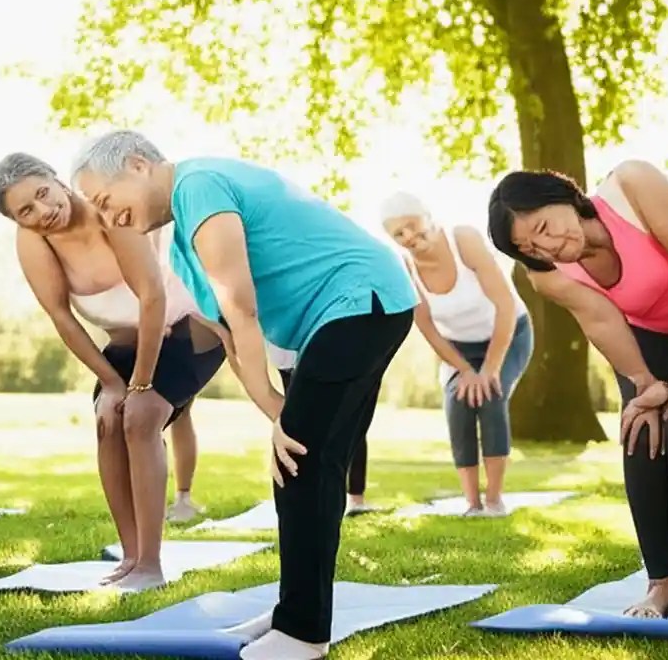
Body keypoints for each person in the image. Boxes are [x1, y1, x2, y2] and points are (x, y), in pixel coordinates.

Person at [71, 130, 417, 660]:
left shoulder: (199, 187)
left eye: (105, 200)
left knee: (299, 464)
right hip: (339, 316)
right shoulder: (185, 234)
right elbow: (230, 337)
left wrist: (283, 414)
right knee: (312, 464)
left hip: (359, 300)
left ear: (138, 165)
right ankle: (295, 614)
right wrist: (276, 410)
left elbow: (241, 307)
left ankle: (302, 632)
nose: (106, 216)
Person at [486, 160, 668, 624]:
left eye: (542, 226)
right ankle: (659, 584)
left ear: (562, 196)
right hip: (654, 333)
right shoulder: (545, 273)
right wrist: (644, 385)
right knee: (641, 431)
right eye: (529, 245)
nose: (545, 246)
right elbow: (602, 320)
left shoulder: (631, 188)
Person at [0, 152, 224, 590]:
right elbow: (62, 318)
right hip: (126, 341)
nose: (43, 211)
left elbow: (152, 297)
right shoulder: (33, 240)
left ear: (57, 180)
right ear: (17, 221)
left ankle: (151, 565)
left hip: (188, 326)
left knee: (142, 416)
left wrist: (138, 385)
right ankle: (131, 557)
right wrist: (113, 385)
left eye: (43, 194)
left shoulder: (109, 211)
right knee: (107, 420)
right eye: (26, 211)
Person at [381, 191, 533, 517]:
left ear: (429, 217)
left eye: (412, 226)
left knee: (491, 396)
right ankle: (472, 504)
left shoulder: (464, 239)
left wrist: (490, 370)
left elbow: (505, 306)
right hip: (458, 350)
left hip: (508, 334)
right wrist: (464, 370)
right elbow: (428, 330)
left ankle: (494, 501)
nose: (409, 236)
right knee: (459, 403)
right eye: (399, 234)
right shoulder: (406, 268)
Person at [268, 342, 375, 516]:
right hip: (294, 354)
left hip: (328, 349)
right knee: (298, 432)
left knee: (349, 424)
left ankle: (349, 496)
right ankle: (299, 502)